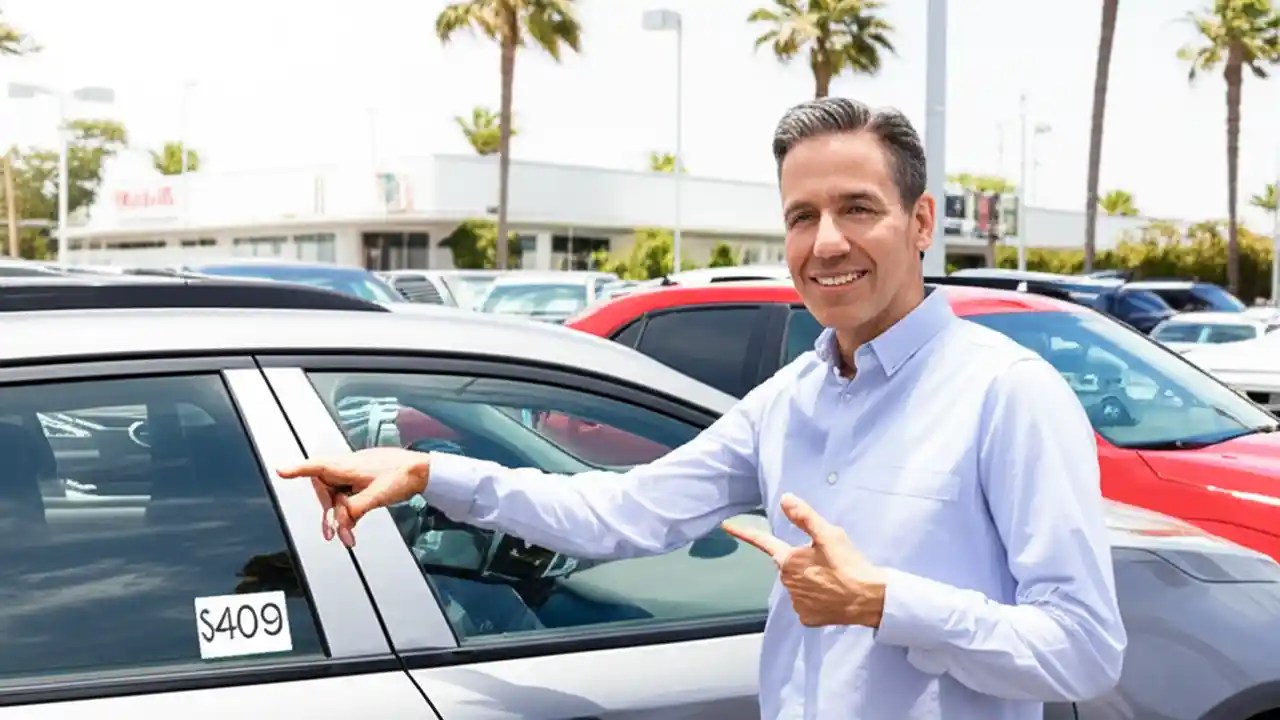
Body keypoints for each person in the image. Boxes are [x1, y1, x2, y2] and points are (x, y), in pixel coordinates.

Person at [277, 96, 1126, 719]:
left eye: (857, 208)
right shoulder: (786, 403)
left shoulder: (1007, 396)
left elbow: (1084, 652)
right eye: (802, 216)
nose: (826, 242)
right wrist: (431, 472)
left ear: (922, 221)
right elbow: (617, 512)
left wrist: (882, 602)